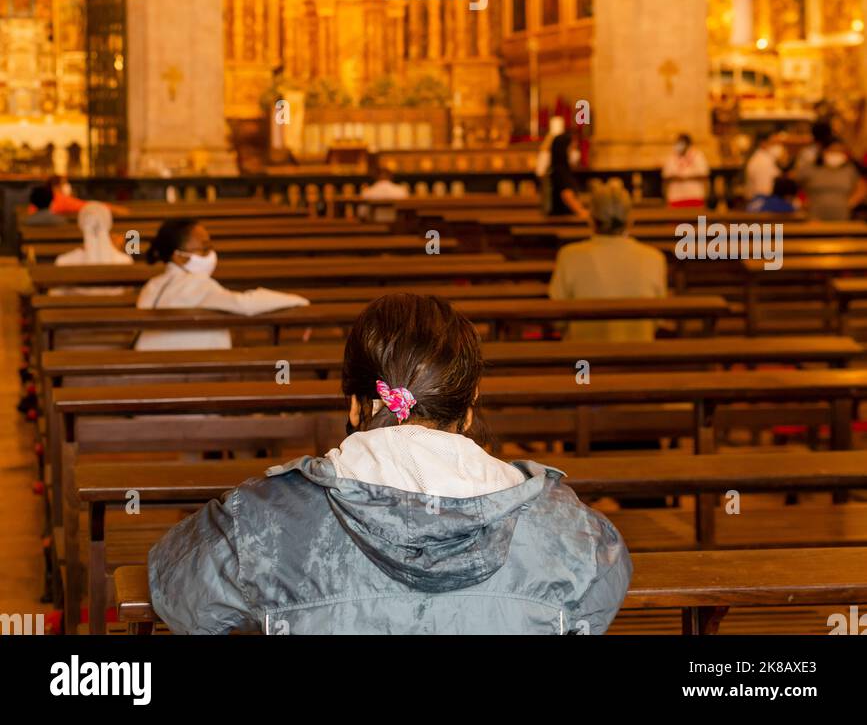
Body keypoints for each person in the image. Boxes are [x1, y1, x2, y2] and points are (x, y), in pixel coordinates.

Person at [148, 292, 631, 635]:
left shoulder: (256, 523)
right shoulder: (573, 534)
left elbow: (180, 598)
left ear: (356, 406)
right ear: (469, 408)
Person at [135, 218, 309, 350]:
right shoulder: (197, 283)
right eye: (204, 249)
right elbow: (244, 304)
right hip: (188, 370)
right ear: (179, 256)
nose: (211, 254)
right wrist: (297, 300)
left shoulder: (152, 285)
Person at [549, 179, 667, 343]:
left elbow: (557, 320)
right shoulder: (654, 258)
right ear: (629, 220)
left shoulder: (569, 256)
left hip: (583, 362)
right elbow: (658, 320)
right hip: (638, 358)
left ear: (591, 219)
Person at [53, 200, 132, 296]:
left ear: (81, 225)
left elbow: (56, 294)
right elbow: (128, 293)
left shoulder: (64, 262)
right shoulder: (126, 261)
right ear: (108, 224)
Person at [796, 140, 863, 221]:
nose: (835, 154)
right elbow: (796, 185)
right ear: (824, 151)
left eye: (839, 151)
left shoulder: (850, 170)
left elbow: (861, 188)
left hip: (842, 216)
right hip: (815, 216)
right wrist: (802, 201)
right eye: (832, 151)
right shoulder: (811, 169)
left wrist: (851, 203)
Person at [545, 130, 589, 219]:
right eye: (571, 148)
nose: (574, 150)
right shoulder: (560, 170)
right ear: (563, 149)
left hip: (564, 217)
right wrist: (582, 212)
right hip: (562, 219)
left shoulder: (560, 168)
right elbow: (567, 195)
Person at [661, 132, 709, 207]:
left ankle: (702, 219)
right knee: (676, 218)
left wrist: (686, 177)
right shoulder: (671, 158)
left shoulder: (698, 156)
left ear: (688, 144)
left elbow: (704, 175)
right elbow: (666, 178)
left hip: (696, 196)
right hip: (676, 198)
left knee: (701, 218)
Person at [744, 133, 781, 201]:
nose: (776, 146)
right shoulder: (761, 160)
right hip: (763, 199)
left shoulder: (766, 156)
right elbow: (764, 187)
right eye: (773, 143)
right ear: (763, 143)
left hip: (763, 198)